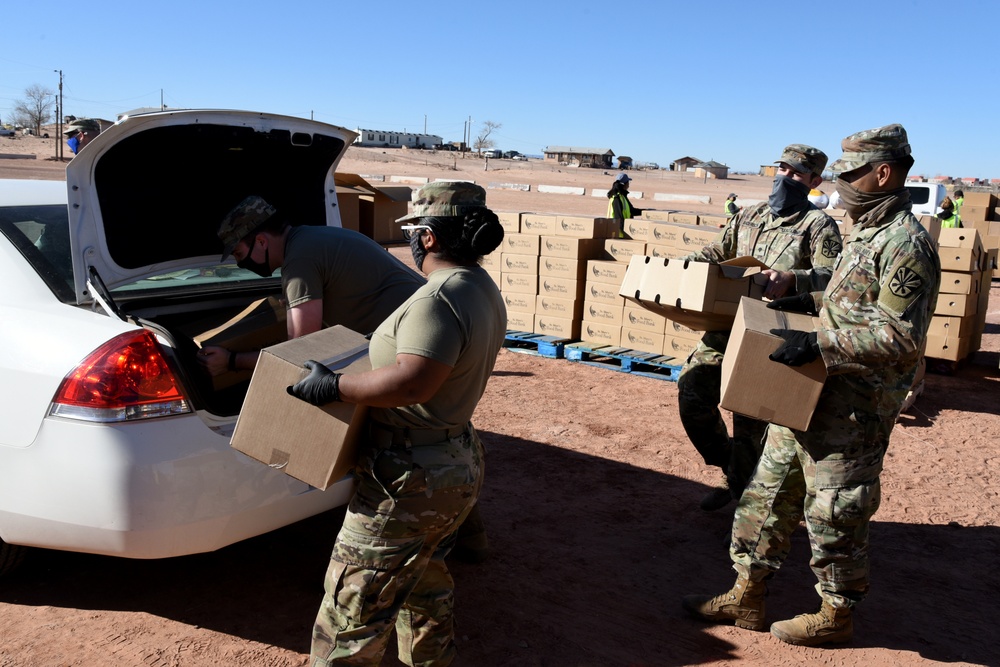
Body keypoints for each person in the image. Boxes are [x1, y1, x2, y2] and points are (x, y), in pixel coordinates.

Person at [682, 123, 940, 647]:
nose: (839, 184)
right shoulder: (864, 233)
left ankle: (835, 613)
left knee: (835, 511)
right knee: (766, 494)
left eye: (850, 174)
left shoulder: (906, 245)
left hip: (855, 409)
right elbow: (847, 299)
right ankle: (746, 594)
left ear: (883, 173)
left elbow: (899, 336)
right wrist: (804, 296)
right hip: (809, 393)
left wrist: (822, 344)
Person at [286, 181, 507, 666]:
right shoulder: (479, 287)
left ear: (427, 237)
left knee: (352, 611)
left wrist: (335, 387)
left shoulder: (437, 299)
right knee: (424, 586)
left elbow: (412, 383)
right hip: (450, 460)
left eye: (412, 232)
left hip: (408, 478)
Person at [202, 195, 493, 563]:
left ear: (261, 241)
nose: (242, 262)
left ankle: (368, 555)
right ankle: (469, 536)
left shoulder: (300, 260)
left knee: (396, 444)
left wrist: (231, 360)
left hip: (408, 351)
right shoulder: (319, 237)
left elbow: (301, 352)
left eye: (241, 252)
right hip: (435, 345)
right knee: (443, 438)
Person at [676, 144, 842, 513]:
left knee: (751, 423)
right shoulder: (749, 215)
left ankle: (746, 507)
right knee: (691, 390)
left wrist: (792, 278)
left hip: (772, 333)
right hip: (726, 324)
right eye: (782, 169)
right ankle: (733, 470)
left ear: (814, 181)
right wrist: (681, 267)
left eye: (796, 173)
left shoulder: (818, 226)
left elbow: (834, 280)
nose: (785, 178)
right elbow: (718, 251)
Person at [606, 172, 642, 238]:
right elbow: (618, 218)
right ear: (624, 184)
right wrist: (627, 232)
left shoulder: (623, 197)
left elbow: (632, 211)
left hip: (622, 234)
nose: (629, 184)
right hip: (618, 234)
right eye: (628, 182)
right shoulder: (616, 198)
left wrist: (646, 212)